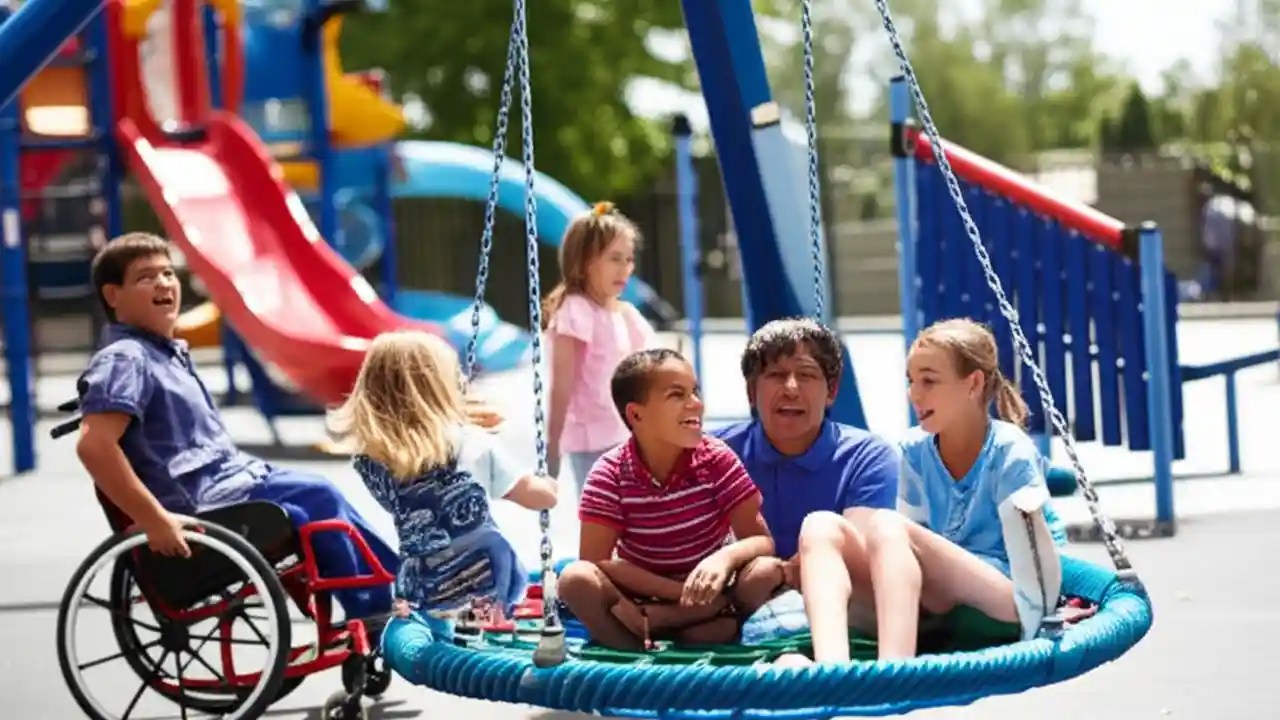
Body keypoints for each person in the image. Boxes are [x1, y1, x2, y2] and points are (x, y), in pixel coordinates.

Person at [74, 232, 398, 629]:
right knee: (318, 497)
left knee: (322, 494)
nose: (163, 283)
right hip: (201, 499)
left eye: (168, 273)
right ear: (113, 296)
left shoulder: (163, 353)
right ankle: (373, 608)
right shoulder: (126, 358)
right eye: (145, 277)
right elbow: (94, 445)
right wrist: (155, 519)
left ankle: (397, 590)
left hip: (231, 479)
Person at [783, 318, 1068, 666]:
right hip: (935, 599)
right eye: (911, 381)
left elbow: (1035, 553)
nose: (915, 394)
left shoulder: (1010, 450)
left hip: (1009, 599)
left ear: (973, 384)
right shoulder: (913, 450)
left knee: (887, 525)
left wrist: (1042, 622)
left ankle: (895, 669)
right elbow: (902, 554)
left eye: (929, 381)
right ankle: (831, 670)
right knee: (820, 526)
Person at [557, 349, 783, 650]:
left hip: (712, 594)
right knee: (575, 579)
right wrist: (678, 594)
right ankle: (634, 647)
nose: (697, 404)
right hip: (647, 596)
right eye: (678, 395)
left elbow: (761, 541)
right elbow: (596, 561)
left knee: (765, 571)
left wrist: (723, 560)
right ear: (637, 415)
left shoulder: (716, 459)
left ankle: (666, 623)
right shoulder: (609, 474)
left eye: (695, 392)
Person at [329, 330, 559, 619]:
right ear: (442, 388)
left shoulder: (370, 458)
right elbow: (538, 498)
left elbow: (404, 499)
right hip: (486, 581)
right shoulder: (473, 442)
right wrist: (549, 483)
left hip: (419, 588)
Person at [713, 318, 901, 570]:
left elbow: (857, 554)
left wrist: (778, 577)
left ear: (831, 392)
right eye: (776, 375)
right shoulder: (712, 453)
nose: (791, 389)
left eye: (806, 375)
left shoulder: (867, 458)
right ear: (751, 392)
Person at [543, 201, 657, 494]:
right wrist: (551, 447)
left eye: (629, 259)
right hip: (593, 442)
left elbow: (653, 371)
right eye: (615, 259)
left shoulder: (626, 316)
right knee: (603, 521)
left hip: (631, 437)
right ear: (584, 263)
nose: (625, 269)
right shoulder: (575, 312)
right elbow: (561, 386)